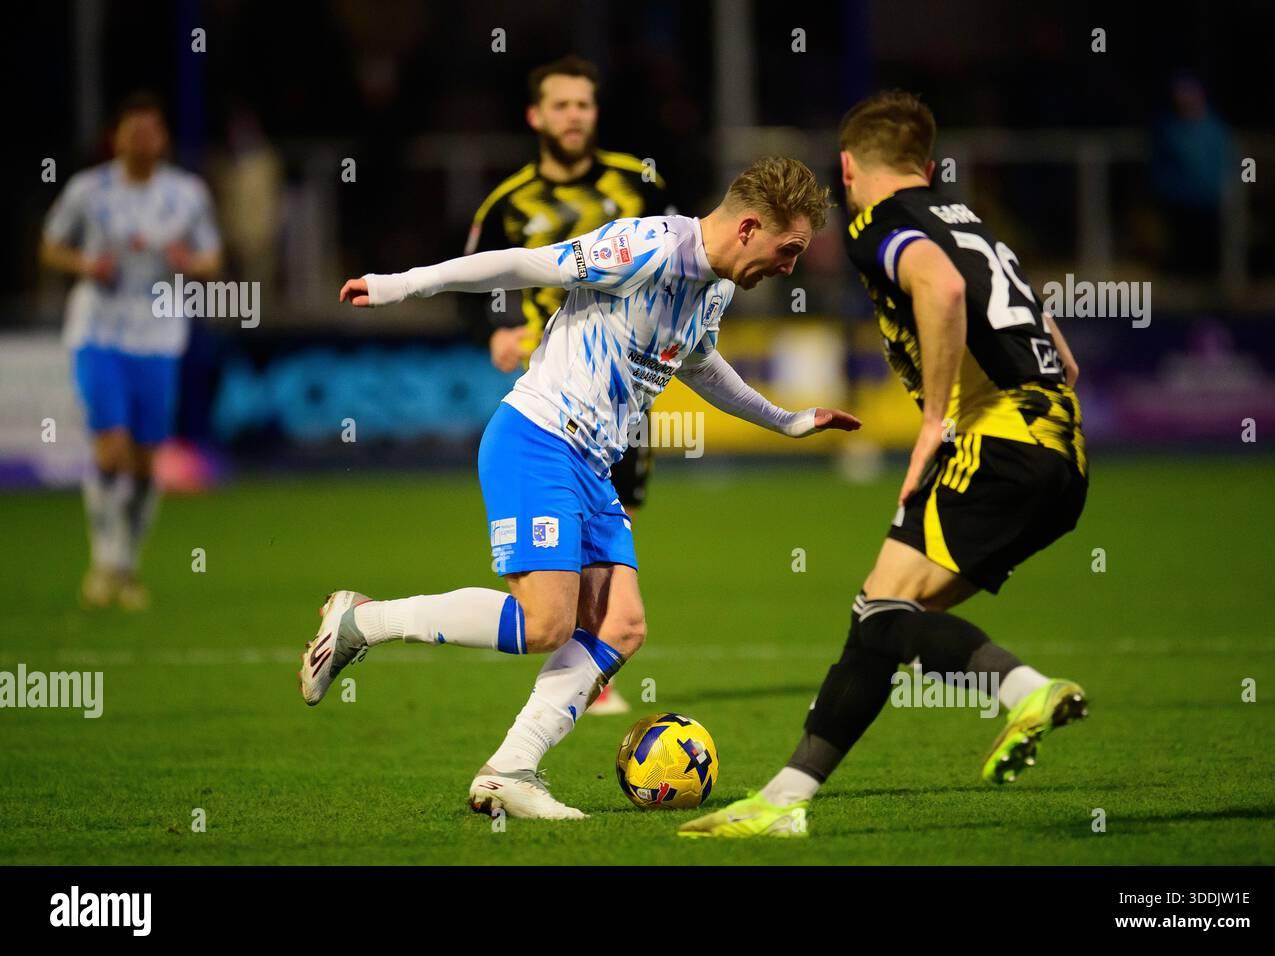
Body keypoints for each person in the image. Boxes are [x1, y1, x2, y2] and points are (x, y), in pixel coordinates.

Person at [303, 157, 860, 820]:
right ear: (747, 228)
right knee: (547, 624)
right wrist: (402, 285)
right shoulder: (646, 247)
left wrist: (786, 420)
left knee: (620, 627)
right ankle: (363, 621)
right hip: (538, 438)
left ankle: (510, 771)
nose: (790, 267)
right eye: (788, 249)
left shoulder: (715, 285)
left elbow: (699, 363)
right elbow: (521, 264)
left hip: (591, 464)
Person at [680, 91, 1088, 839]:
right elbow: (1062, 355)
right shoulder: (974, 226)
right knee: (885, 615)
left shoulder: (882, 223)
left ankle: (1025, 689)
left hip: (997, 444)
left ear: (848, 166)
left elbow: (941, 287)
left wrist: (936, 420)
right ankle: (784, 800)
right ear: (927, 164)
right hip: (1061, 454)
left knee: (882, 612)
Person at [466, 54, 674, 715]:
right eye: (561, 105)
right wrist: (498, 329)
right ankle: (580, 672)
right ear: (536, 116)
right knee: (574, 537)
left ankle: (579, 669)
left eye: (583, 104)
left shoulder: (639, 184)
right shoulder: (505, 205)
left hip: (622, 394)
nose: (574, 116)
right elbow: (480, 281)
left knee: (615, 528)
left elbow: (680, 260)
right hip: (552, 396)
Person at [41, 91, 222, 610]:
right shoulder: (88, 190)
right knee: (111, 449)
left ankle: (127, 565)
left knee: (145, 463)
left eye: (152, 131)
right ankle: (106, 562)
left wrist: (190, 261)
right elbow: (50, 244)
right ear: (117, 137)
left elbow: (212, 257)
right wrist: (85, 266)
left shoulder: (187, 194)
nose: (143, 140)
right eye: (133, 130)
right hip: (97, 332)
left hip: (160, 336)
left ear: (162, 137)